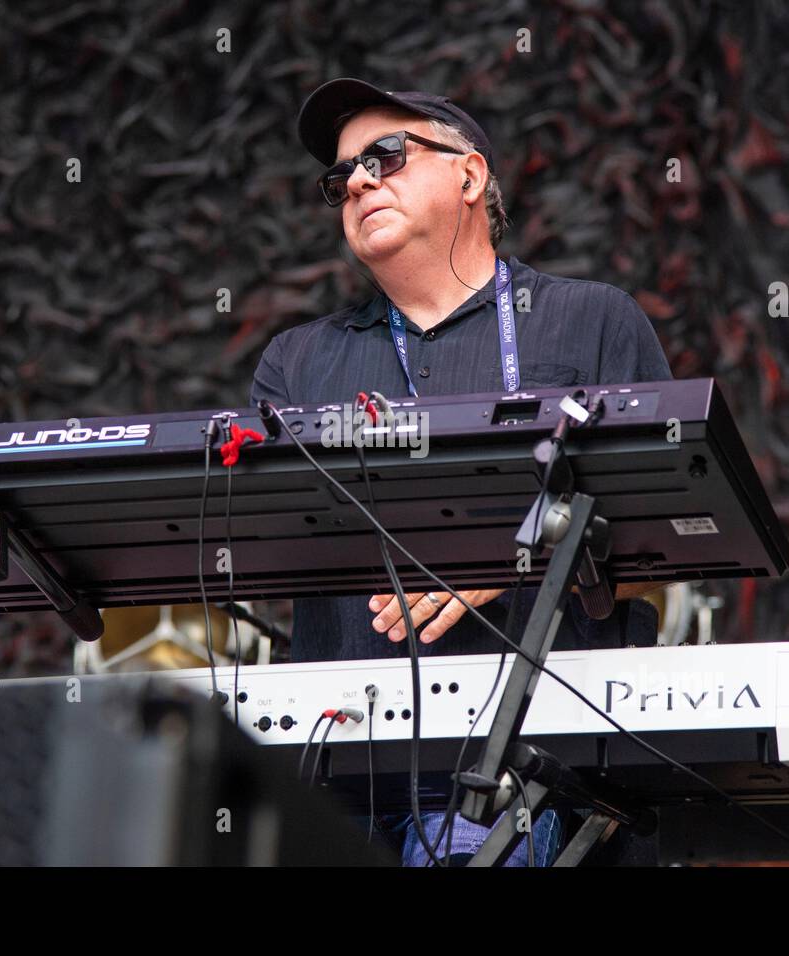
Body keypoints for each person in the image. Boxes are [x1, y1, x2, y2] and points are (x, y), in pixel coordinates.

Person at [250, 78, 671, 866]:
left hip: (541, 767)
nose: (359, 182)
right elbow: (272, 537)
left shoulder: (594, 319)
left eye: (385, 155)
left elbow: (668, 535)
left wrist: (511, 555)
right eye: (341, 176)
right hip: (343, 777)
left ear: (470, 177)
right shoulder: (296, 360)